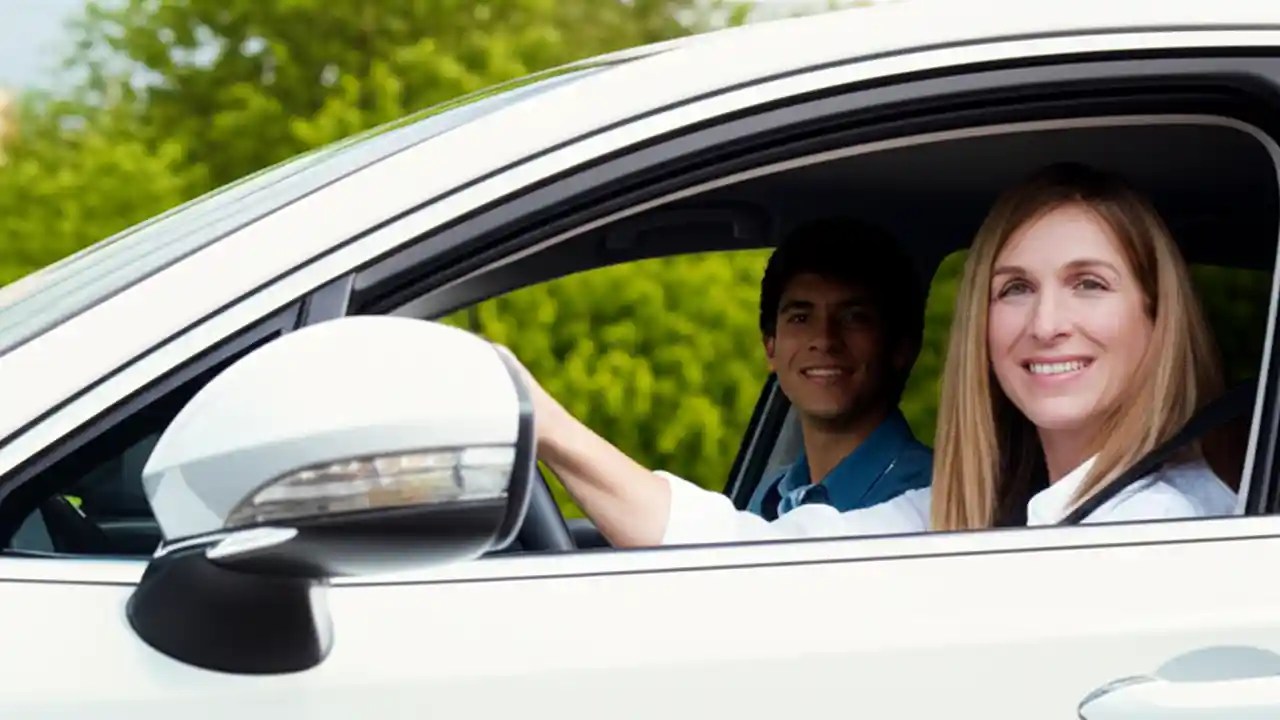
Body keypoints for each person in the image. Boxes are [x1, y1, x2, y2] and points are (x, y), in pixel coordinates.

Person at [515, 162, 1237, 548]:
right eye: (1014, 289)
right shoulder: (978, 511)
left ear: (1158, 316)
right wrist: (537, 415)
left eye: (1088, 284)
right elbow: (727, 545)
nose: (1047, 323)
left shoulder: (1157, 529)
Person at [743, 217, 933, 520]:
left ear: (901, 347)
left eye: (854, 317)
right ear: (770, 346)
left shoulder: (933, 497)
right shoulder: (771, 496)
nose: (824, 339)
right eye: (801, 318)